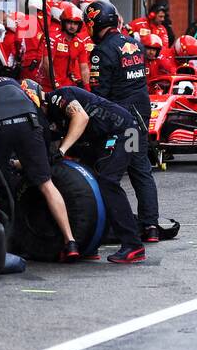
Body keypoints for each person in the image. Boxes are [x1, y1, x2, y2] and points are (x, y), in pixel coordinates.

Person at [0, 67, 79, 261]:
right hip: (30, 124)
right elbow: (40, 119)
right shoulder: (11, 82)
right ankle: (70, 241)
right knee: (46, 183)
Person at [43, 82, 146, 263]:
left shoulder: (59, 96)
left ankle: (134, 245)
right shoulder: (46, 117)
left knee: (108, 183)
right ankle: (91, 243)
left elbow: (81, 118)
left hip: (127, 132)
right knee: (90, 185)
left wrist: (62, 150)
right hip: (102, 137)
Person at [87, 1, 161, 242]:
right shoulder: (135, 43)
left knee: (108, 171)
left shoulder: (102, 51)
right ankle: (150, 226)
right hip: (141, 110)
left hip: (121, 118)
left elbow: (100, 92)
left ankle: (116, 225)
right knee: (141, 169)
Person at [50, 3, 89, 88]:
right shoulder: (53, 38)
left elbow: (84, 68)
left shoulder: (80, 42)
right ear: (64, 23)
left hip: (68, 85)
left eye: (75, 23)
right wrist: (55, 83)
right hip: (50, 84)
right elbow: (47, 63)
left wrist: (87, 88)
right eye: (69, 22)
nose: (72, 26)